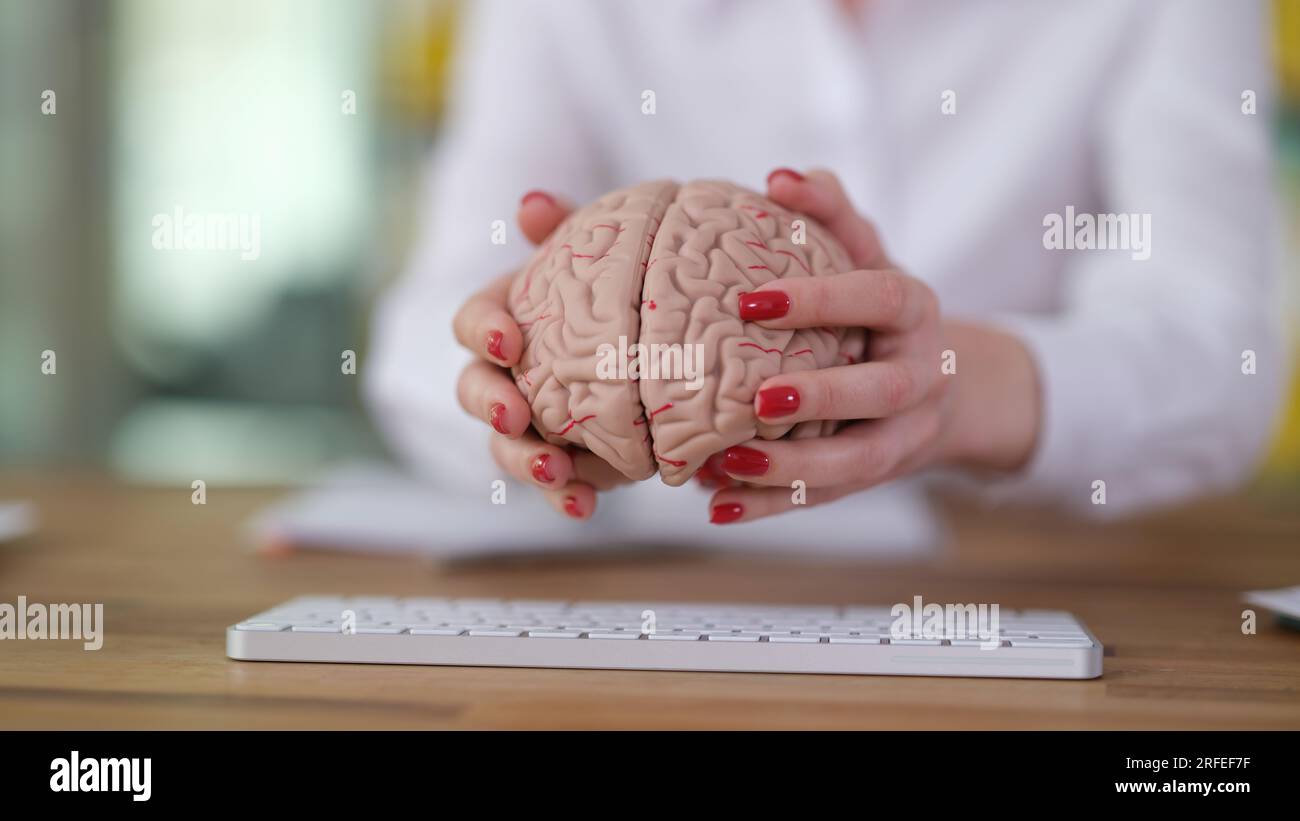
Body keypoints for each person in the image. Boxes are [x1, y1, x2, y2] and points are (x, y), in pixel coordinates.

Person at [365, 0, 1286, 532]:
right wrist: (511, 374)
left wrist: (950, 389)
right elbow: (421, 337)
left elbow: (1225, 359)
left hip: (1036, 589)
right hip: (662, 599)